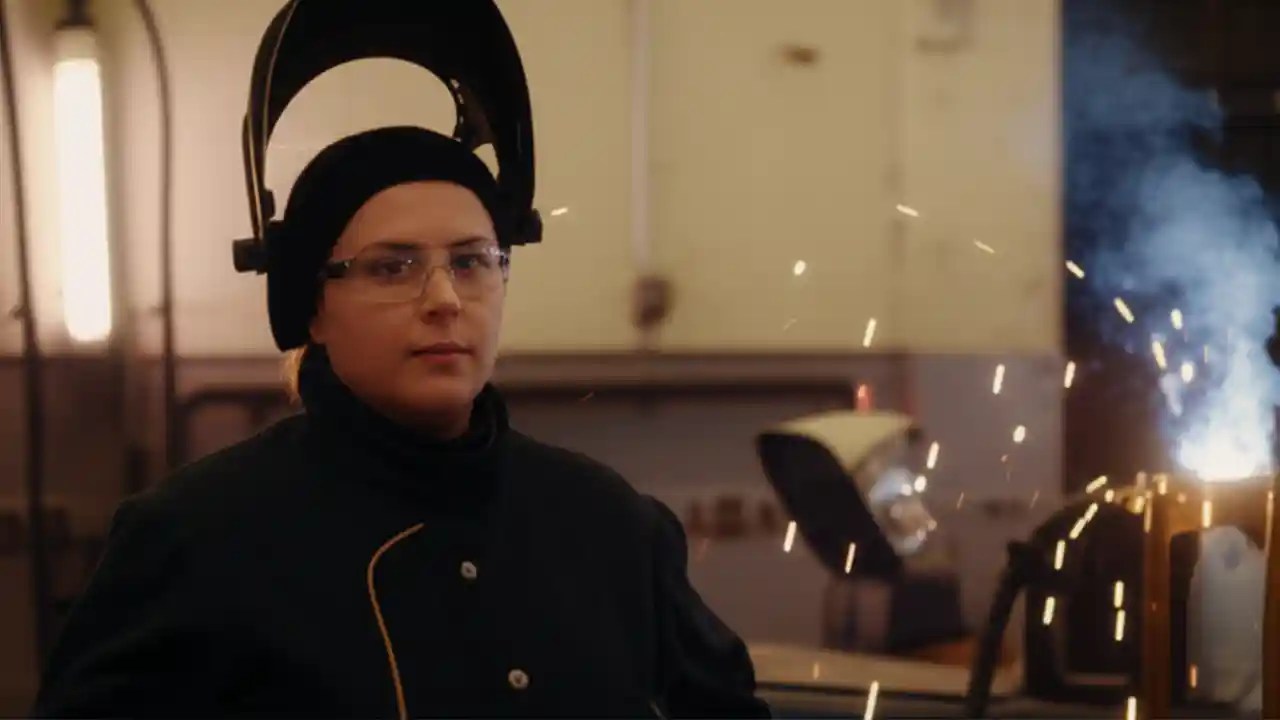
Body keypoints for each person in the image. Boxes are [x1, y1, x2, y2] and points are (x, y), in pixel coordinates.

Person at [32, 126, 771, 718]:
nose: (446, 298)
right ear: (311, 308)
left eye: (473, 261)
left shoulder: (609, 524)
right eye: (393, 267)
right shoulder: (195, 538)